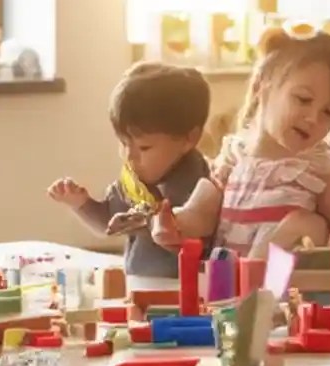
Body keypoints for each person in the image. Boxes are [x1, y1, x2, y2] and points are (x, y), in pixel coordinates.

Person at [151, 28, 330, 258]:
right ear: (261, 88)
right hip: (227, 283)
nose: (313, 118)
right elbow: (199, 214)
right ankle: (249, 279)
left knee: (309, 224)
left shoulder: (323, 172)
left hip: (286, 288)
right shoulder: (233, 159)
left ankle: (256, 273)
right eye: (303, 99)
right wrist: (172, 224)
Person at [47, 62, 211, 278]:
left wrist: (143, 221)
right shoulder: (138, 178)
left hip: (180, 288)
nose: (130, 156)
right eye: (124, 143)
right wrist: (81, 204)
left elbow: (187, 229)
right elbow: (108, 224)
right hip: (141, 285)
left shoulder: (194, 181)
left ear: (189, 139)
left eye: (144, 147)